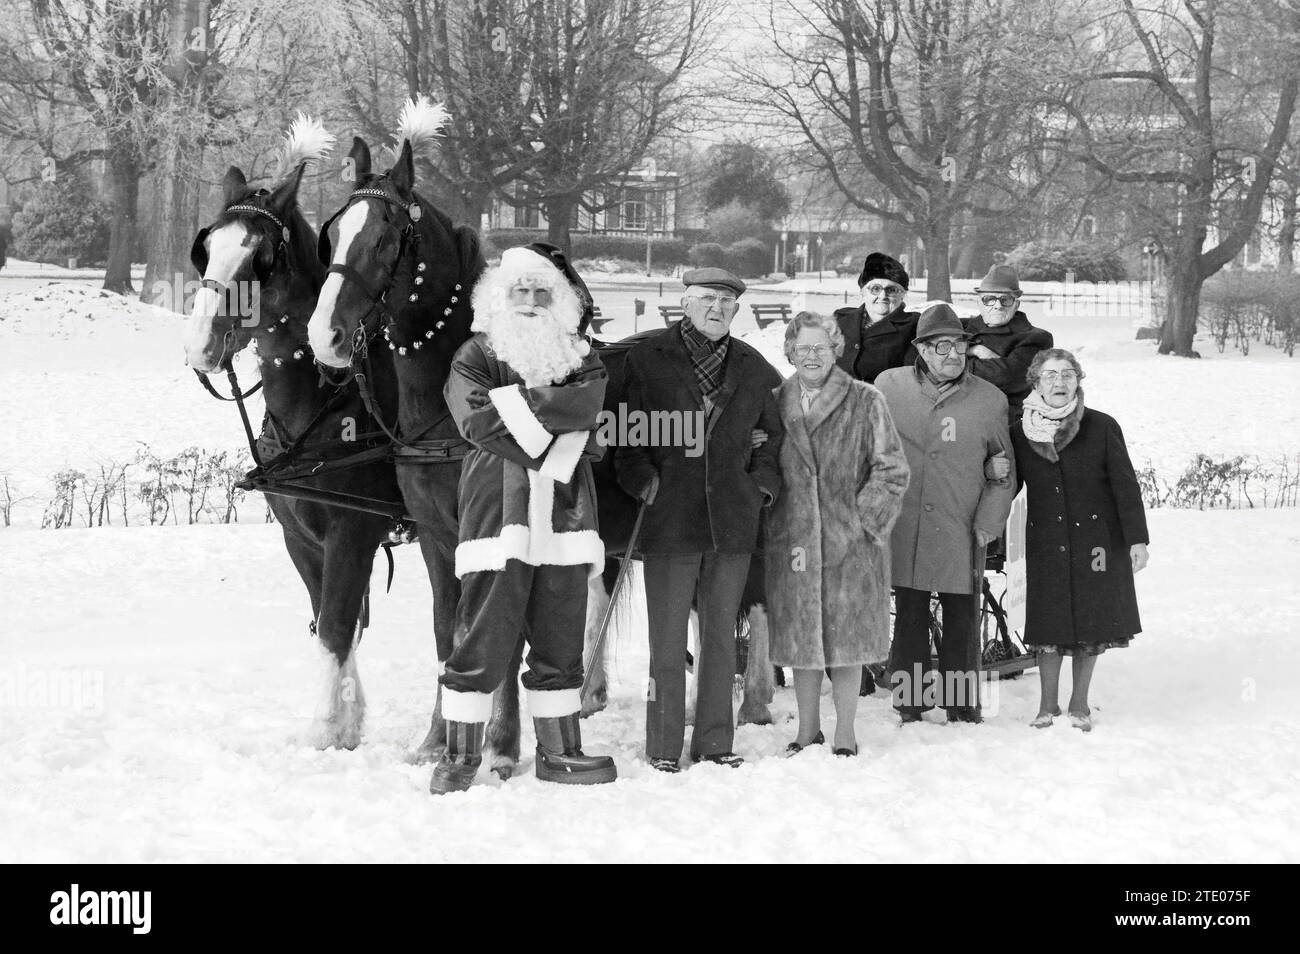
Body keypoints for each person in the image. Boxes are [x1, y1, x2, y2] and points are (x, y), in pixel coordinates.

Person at [432, 242, 615, 794]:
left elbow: (587, 410)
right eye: (521, 291)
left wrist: (518, 406)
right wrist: (563, 447)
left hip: (566, 516)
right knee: (481, 634)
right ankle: (460, 757)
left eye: (542, 291)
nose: (531, 300)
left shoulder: (579, 353)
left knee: (561, 637)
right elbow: (476, 423)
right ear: (498, 297)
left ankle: (561, 752)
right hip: (498, 510)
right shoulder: (474, 353)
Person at [615, 267, 784, 773]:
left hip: (732, 519)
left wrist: (762, 487)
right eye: (707, 299)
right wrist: (642, 479)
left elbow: (771, 438)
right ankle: (664, 745)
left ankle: (715, 741)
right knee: (666, 640)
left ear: (737, 310)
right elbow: (625, 431)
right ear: (685, 304)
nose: (717, 308)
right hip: (669, 516)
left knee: (719, 639)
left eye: (726, 302)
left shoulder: (754, 367)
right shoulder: (647, 358)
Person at [765, 312, 909, 757]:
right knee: (802, 639)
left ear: (837, 351)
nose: (811, 356)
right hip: (793, 543)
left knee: (846, 641)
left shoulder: (867, 400)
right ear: (789, 351)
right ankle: (808, 730)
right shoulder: (772, 402)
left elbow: (892, 468)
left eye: (820, 348)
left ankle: (845, 731)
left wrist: (864, 524)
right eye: (803, 348)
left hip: (853, 544)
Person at [875, 303, 1017, 724]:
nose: (952, 355)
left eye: (959, 345)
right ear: (921, 348)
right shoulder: (889, 386)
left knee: (961, 615)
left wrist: (988, 523)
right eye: (941, 346)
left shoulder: (989, 400)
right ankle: (911, 703)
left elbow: (1003, 473)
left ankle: (961, 704)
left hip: (961, 524)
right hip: (906, 523)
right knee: (911, 615)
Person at [1011, 348, 1150, 732]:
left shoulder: (1102, 426)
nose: (1060, 382)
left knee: (1092, 622)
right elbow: (1007, 489)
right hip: (1043, 540)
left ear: (1079, 380)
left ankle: (1080, 704)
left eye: (1068, 374)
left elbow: (1126, 486)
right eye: (1050, 375)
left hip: (1097, 544)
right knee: (1047, 623)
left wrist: (1137, 539)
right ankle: (1046, 706)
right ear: (1036, 382)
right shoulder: (1019, 432)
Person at [964, 265, 1054, 420]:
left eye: (1005, 299)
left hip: (1002, 421)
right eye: (989, 299)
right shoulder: (961, 326)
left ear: (1016, 305)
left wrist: (953, 361)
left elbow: (1006, 376)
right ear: (978, 303)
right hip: (956, 416)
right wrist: (975, 350)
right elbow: (924, 356)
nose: (997, 306)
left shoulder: (1036, 338)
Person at [833, 252, 920, 384]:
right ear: (862, 291)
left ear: (902, 294)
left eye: (891, 290)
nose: (883, 296)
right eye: (875, 289)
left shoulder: (913, 327)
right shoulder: (840, 320)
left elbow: (910, 381)